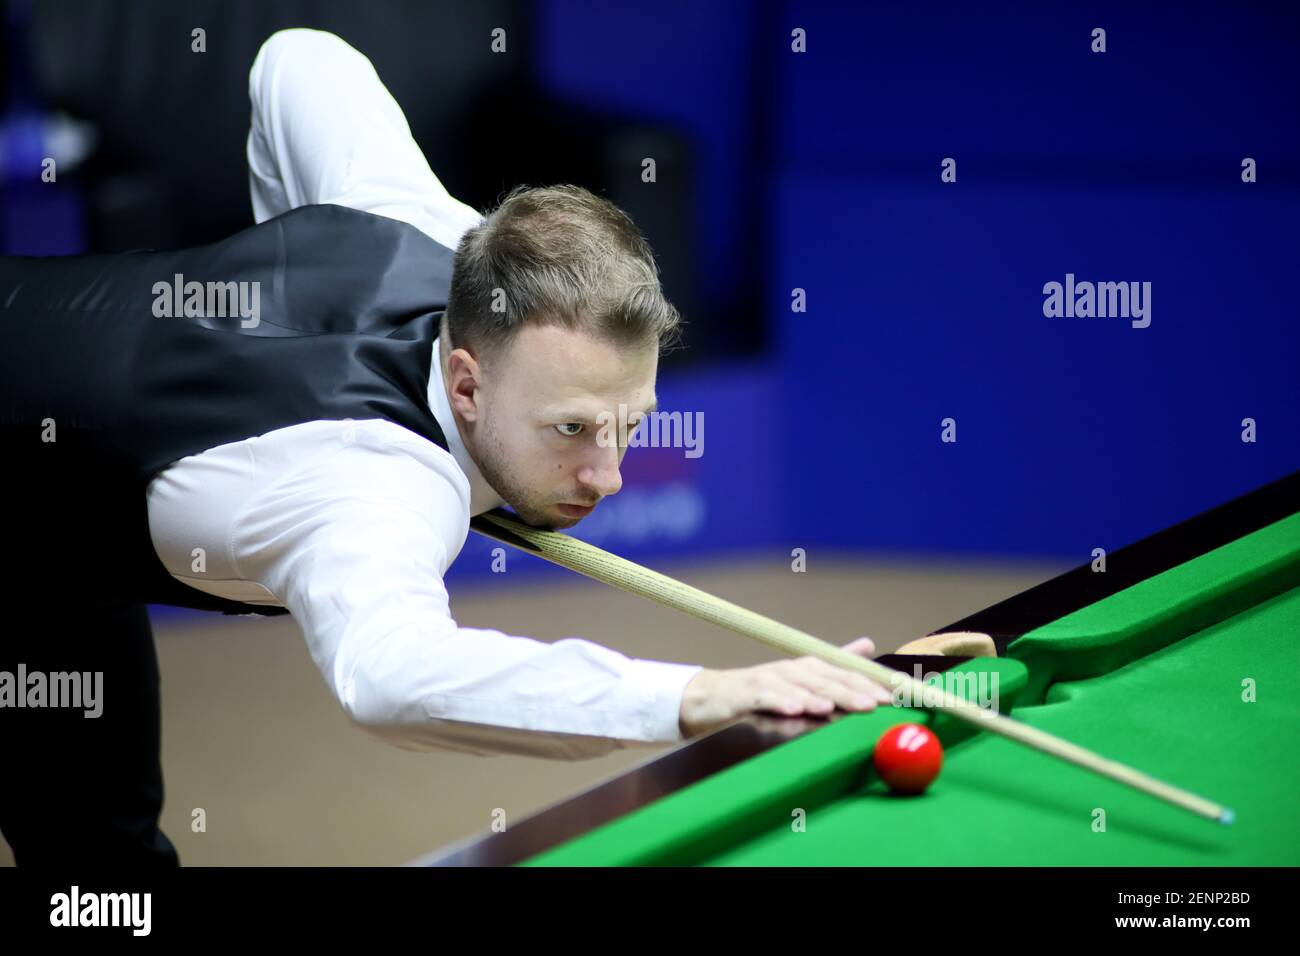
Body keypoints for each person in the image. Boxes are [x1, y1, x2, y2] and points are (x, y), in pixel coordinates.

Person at [0, 28, 889, 866]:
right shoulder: (366, 484)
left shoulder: (427, 227)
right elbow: (392, 679)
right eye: (571, 430)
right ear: (466, 384)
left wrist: (282, 253)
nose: (608, 476)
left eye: (632, 423)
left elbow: (298, 58)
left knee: (103, 885)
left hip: (64, 537)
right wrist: (702, 696)